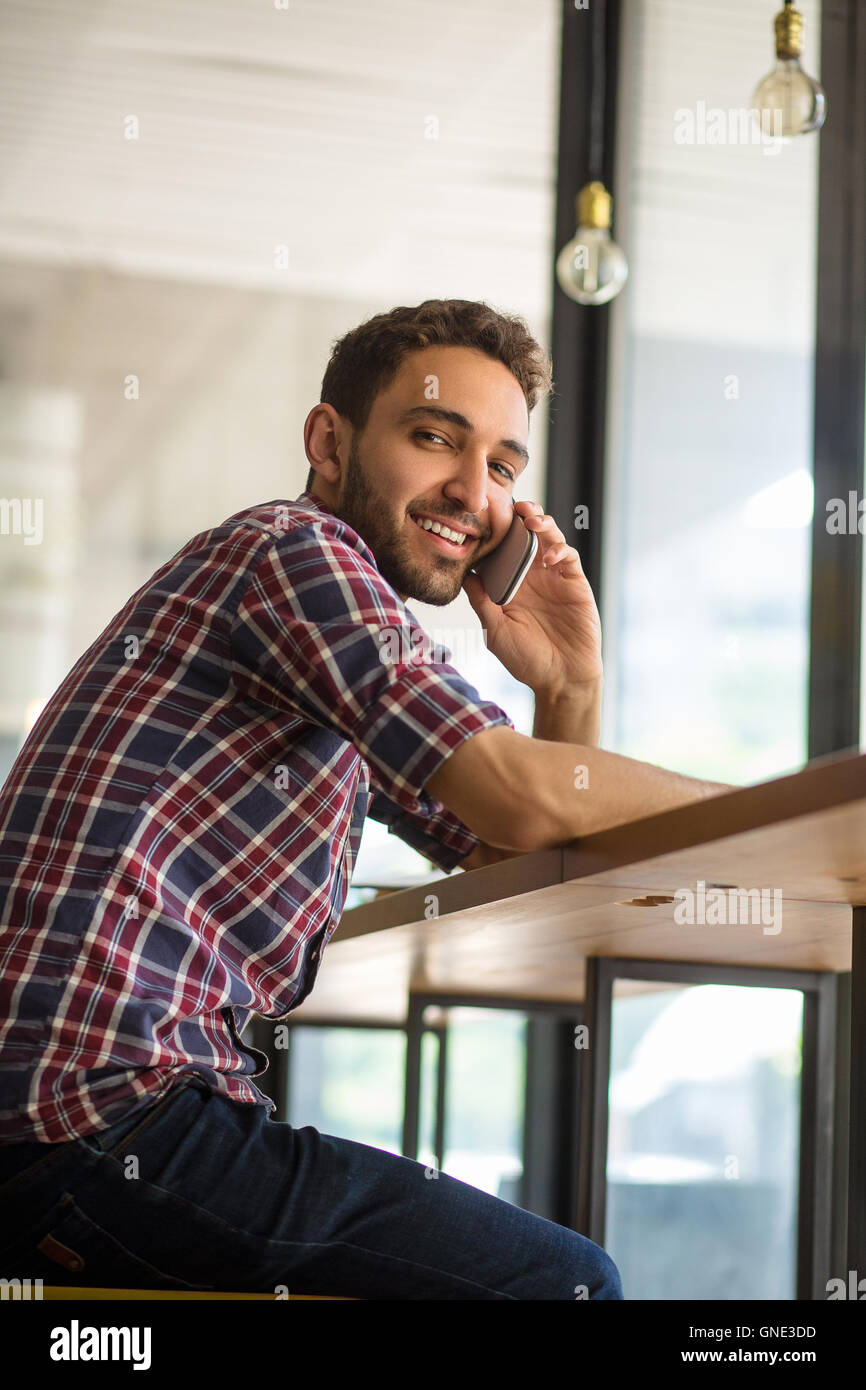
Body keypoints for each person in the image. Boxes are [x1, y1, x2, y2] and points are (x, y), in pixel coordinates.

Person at [0, 299, 731, 1300]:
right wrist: (764, 804)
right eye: (435, 438)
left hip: (83, 1123)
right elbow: (520, 798)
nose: (472, 492)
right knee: (564, 1285)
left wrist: (567, 687)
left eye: (504, 467)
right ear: (328, 442)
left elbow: (515, 861)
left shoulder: (338, 654)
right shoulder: (294, 554)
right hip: (90, 1117)